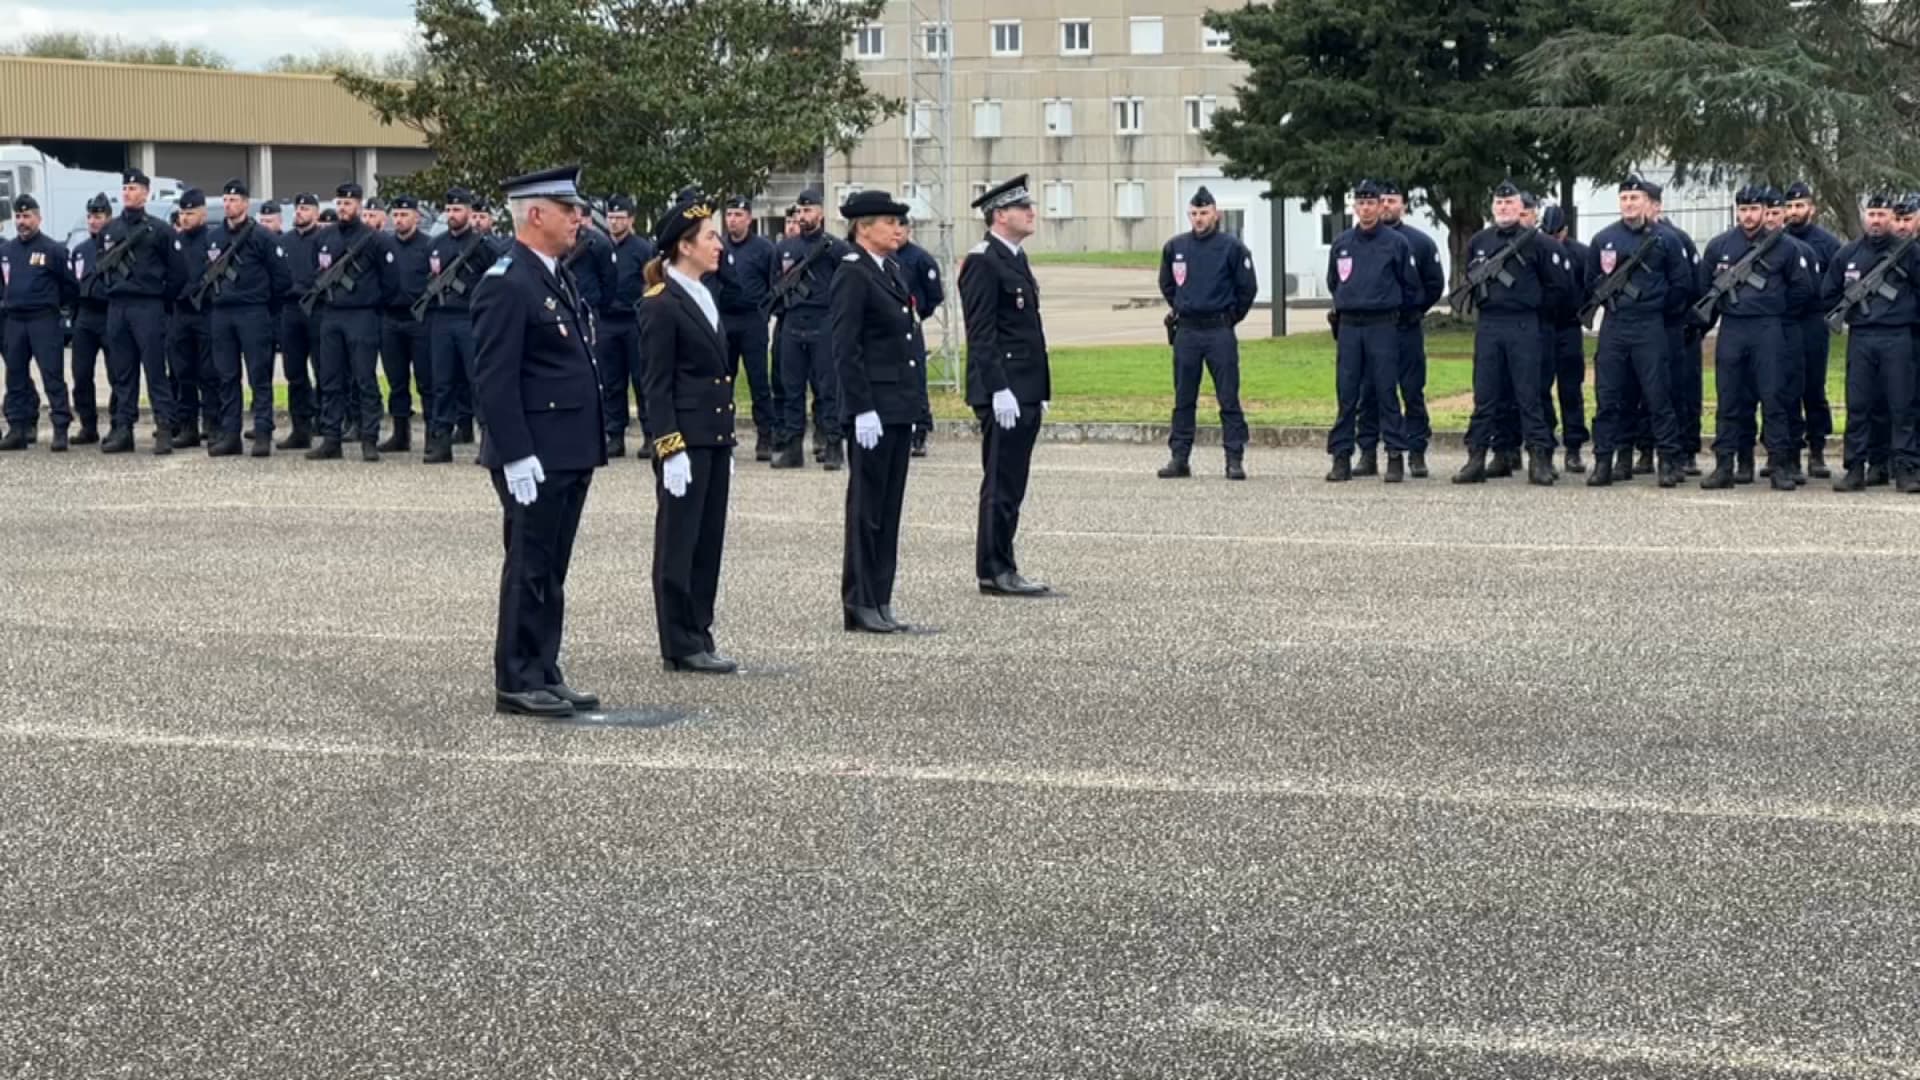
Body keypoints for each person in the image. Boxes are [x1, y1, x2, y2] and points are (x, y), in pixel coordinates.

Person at [472, 164, 607, 716]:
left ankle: (544, 668)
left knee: (552, 567)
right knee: (529, 564)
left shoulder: (554, 273)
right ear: (535, 214)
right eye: (568, 209)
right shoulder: (508, 282)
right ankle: (517, 678)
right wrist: (517, 453)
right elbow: (494, 378)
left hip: (566, 449)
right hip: (535, 453)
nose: (579, 218)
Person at [638, 192, 739, 673]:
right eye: (709, 237)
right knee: (679, 543)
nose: (718, 245)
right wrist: (669, 447)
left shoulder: (705, 294)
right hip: (685, 441)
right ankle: (678, 640)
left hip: (713, 437)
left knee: (708, 541)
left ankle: (700, 631)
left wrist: (725, 438)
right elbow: (656, 386)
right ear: (684, 246)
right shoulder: (662, 305)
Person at [833, 189, 927, 632]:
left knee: (888, 509)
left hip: (897, 407)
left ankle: (881, 597)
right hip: (874, 409)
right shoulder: (853, 273)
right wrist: (861, 408)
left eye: (899, 222)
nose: (898, 229)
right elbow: (846, 347)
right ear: (863, 228)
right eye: (889, 222)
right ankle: (859, 601)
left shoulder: (890, 270)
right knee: (866, 508)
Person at [961, 174, 1053, 596]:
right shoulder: (983, 261)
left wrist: (1039, 388)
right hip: (1005, 392)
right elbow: (982, 334)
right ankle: (994, 569)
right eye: (1023, 207)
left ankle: (1005, 563)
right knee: (1000, 483)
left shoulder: (1015, 258)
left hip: (1025, 389)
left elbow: (1027, 331)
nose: (1031, 213)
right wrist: (998, 388)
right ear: (1000, 215)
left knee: (1014, 483)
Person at [1694, 185, 1814, 491]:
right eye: (1743, 210)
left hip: (1768, 329)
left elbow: (1802, 289)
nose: (1748, 216)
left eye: (1754, 210)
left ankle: (1780, 466)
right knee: (1729, 398)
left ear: (1765, 211)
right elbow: (1705, 288)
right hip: (1733, 328)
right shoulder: (1720, 245)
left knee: (1774, 397)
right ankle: (1725, 465)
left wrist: (1775, 309)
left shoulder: (1785, 247)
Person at [1453, 181, 1569, 486]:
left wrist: (1530, 306)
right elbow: (1471, 280)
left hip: (1524, 325)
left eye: (1510, 203)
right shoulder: (1479, 242)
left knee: (1529, 395)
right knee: (1486, 394)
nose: (1504, 208)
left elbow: (1558, 287)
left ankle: (1539, 460)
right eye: (1499, 203)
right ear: (1492, 208)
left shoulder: (1539, 243)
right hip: (1490, 324)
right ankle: (1476, 457)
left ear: (1522, 209)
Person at [1584, 176, 1690, 487]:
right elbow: (1592, 280)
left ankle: (1668, 461)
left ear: (1648, 202)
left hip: (1650, 327)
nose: (1629, 204)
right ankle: (1606, 460)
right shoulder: (1604, 239)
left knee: (1659, 396)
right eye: (1625, 199)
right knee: (1609, 397)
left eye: (1635, 198)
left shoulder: (1665, 239)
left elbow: (1681, 285)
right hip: (1615, 325)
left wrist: (1655, 306)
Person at [1156, 185, 1259, 480]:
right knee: (1183, 398)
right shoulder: (1176, 247)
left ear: (1216, 214)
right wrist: (1182, 306)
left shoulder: (1232, 248)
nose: (1199, 218)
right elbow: (1167, 284)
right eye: (1195, 213)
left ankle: (1234, 458)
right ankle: (1180, 457)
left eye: (1204, 213)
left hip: (1219, 332)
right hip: (1187, 331)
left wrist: (1229, 318)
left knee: (1228, 397)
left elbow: (1247, 289)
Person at [1822, 192, 1920, 492]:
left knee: (1902, 405)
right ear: (1865, 217)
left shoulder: (1910, 252)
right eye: (1872, 215)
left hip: (1897, 336)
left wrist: (1905, 313)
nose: (1877, 221)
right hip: (1862, 337)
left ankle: (1906, 470)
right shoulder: (1848, 254)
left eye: (1883, 215)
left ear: (1893, 218)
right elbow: (1828, 293)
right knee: (1860, 404)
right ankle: (1855, 468)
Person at [1324, 178, 1417, 482]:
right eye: (1361, 204)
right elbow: (1334, 282)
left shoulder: (1396, 243)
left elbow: (1409, 286)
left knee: (1386, 390)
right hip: (1350, 325)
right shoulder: (1342, 244)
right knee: (1347, 392)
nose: (1365, 209)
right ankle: (1341, 456)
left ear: (1380, 206)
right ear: (1355, 206)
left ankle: (1394, 455)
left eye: (1371, 203)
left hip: (1382, 325)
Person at [1355, 179, 1444, 478]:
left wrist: (1413, 309)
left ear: (1403, 205)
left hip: (1405, 329)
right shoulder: (1360, 241)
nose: (1388, 206)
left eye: (1394, 201)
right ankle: (1367, 452)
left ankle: (1416, 451)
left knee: (1411, 391)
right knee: (1369, 392)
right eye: (1385, 201)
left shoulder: (1419, 242)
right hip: (1373, 329)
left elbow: (1433, 284)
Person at [309, 181, 398, 461]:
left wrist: (370, 299)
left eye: (348, 204)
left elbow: (391, 281)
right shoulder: (325, 237)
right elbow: (318, 272)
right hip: (332, 315)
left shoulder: (374, 239)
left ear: (359, 205)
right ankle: (331, 439)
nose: (343, 208)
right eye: (339, 203)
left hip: (362, 315)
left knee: (365, 379)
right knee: (330, 380)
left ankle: (369, 438)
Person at [202, 178, 290, 457]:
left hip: (253, 312)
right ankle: (231, 434)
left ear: (245, 202)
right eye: (225, 200)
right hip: (222, 313)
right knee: (226, 376)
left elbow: (282, 279)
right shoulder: (214, 238)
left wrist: (264, 305)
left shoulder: (261, 236)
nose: (229, 204)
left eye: (234, 200)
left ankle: (262, 432)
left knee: (259, 375)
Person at [100, 168, 185, 455]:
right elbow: (102, 268)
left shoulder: (160, 230)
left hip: (148, 306)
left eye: (134, 188)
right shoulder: (110, 230)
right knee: (122, 373)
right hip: (118, 307)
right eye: (125, 188)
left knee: (154, 371)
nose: (128, 193)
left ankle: (164, 427)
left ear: (146, 193)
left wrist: (160, 299)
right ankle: (123, 429)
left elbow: (178, 273)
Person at [770, 187, 852, 470]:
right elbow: (775, 286)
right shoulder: (784, 248)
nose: (803, 216)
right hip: (793, 322)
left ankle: (832, 444)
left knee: (828, 389)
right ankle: (793, 446)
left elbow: (849, 286)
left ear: (821, 212)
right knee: (791, 388)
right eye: (800, 211)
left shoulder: (836, 248)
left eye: (809, 210)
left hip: (824, 321)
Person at [0, 194, 78, 450]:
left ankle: (60, 428)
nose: (22, 221)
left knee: (52, 376)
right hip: (15, 321)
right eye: (19, 217)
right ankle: (17, 428)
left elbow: (69, 286)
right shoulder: (7, 251)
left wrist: (54, 306)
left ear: (38, 218)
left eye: (27, 216)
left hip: (43, 320)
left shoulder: (52, 249)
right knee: (15, 377)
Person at [421, 188, 492, 464]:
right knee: (442, 382)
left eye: (457, 210)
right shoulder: (436, 245)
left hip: (470, 319)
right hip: (441, 319)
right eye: (449, 210)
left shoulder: (483, 246)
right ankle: (441, 440)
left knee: (478, 382)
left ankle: (488, 438)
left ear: (470, 213)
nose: (452, 215)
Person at [1783, 180, 1842, 478]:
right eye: (1790, 206)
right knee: (1786, 387)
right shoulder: (1777, 241)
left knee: (1814, 389)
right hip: (1785, 324)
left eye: (1800, 205)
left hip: (1814, 322)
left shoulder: (1828, 244)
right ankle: (1789, 452)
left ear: (1812, 208)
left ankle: (1817, 450)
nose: (1794, 211)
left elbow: (1838, 284)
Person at [714, 195, 776, 459]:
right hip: (725, 320)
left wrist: (764, 313)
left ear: (749, 219)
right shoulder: (717, 246)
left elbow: (773, 285)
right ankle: (723, 433)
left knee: (758, 380)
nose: (733, 220)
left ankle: (765, 435)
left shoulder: (764, 249)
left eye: (738, 215)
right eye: (729, 215)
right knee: (722, 380)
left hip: (752, 320)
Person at [595, 194, 653, 458]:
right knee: (611, 381)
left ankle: (650, 434)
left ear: (631, 219)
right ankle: (615, 434)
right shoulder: (598, 246)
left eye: (620, 218)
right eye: (610, 217)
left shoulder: (643, 248)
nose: (614, 222)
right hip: (607, 320)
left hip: (634, 320)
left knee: (642, 379)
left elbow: (651, 282)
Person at [380, 195, 433, 453]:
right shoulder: (385, 245)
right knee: (396, 381)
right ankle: (401, 434)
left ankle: (434, 436)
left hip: (419, 321)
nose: (399, 220)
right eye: (396, 215)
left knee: (427, 380)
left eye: (405, 215)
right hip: (391, 319)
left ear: (416, 217)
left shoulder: (428, 246)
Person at [1540, 204, 1591, 472]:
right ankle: (1545, 445)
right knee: (1540, 389)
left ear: (1565, 231)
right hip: (1543, 327)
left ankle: (1573, 448)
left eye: (1556, 235)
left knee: (1571, 390)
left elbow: (1591, 288)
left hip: (1569, 328)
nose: (1552, 240)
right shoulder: (1535, 248)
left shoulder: (1580, 253)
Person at [276, 193, 324, 449]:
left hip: (316, 311)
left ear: (316, 213)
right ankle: (300, 428)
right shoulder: (284, 241)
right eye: (298, 208)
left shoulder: (324, 240)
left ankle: (326, 425)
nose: (300, 213)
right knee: (294, 372)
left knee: (323, 370)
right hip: (291, 311)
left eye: (306, 208)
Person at [168, 187, 215, 448]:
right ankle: (188, 427)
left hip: (205, 312)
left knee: (210, 373)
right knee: (182, 372)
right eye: (182, 213)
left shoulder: (212, 240)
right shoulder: (175, 242)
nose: (185, 218)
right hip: (180, 314)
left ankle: (213, 423)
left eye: (190, 213)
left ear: (203, 214)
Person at [66, 193, 114, 446]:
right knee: (81, 374)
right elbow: (72, 284)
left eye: (98, 216)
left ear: (108, 218)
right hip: (84, 316)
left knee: (118, 374)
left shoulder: (117, 245)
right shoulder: (80, 251)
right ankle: (88, 425)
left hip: (109, 314)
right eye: (90, 216)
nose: (93, 221)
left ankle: (118, 425)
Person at [895, 222, 944, 458]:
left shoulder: (920, 259)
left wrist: (918, 314)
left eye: (901, 228)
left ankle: (920, 430)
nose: (897, 233)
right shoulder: (884, 256)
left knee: (916, 379)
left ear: (909, 230)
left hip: (911, 327)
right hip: (887, 330)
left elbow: (934, 294)